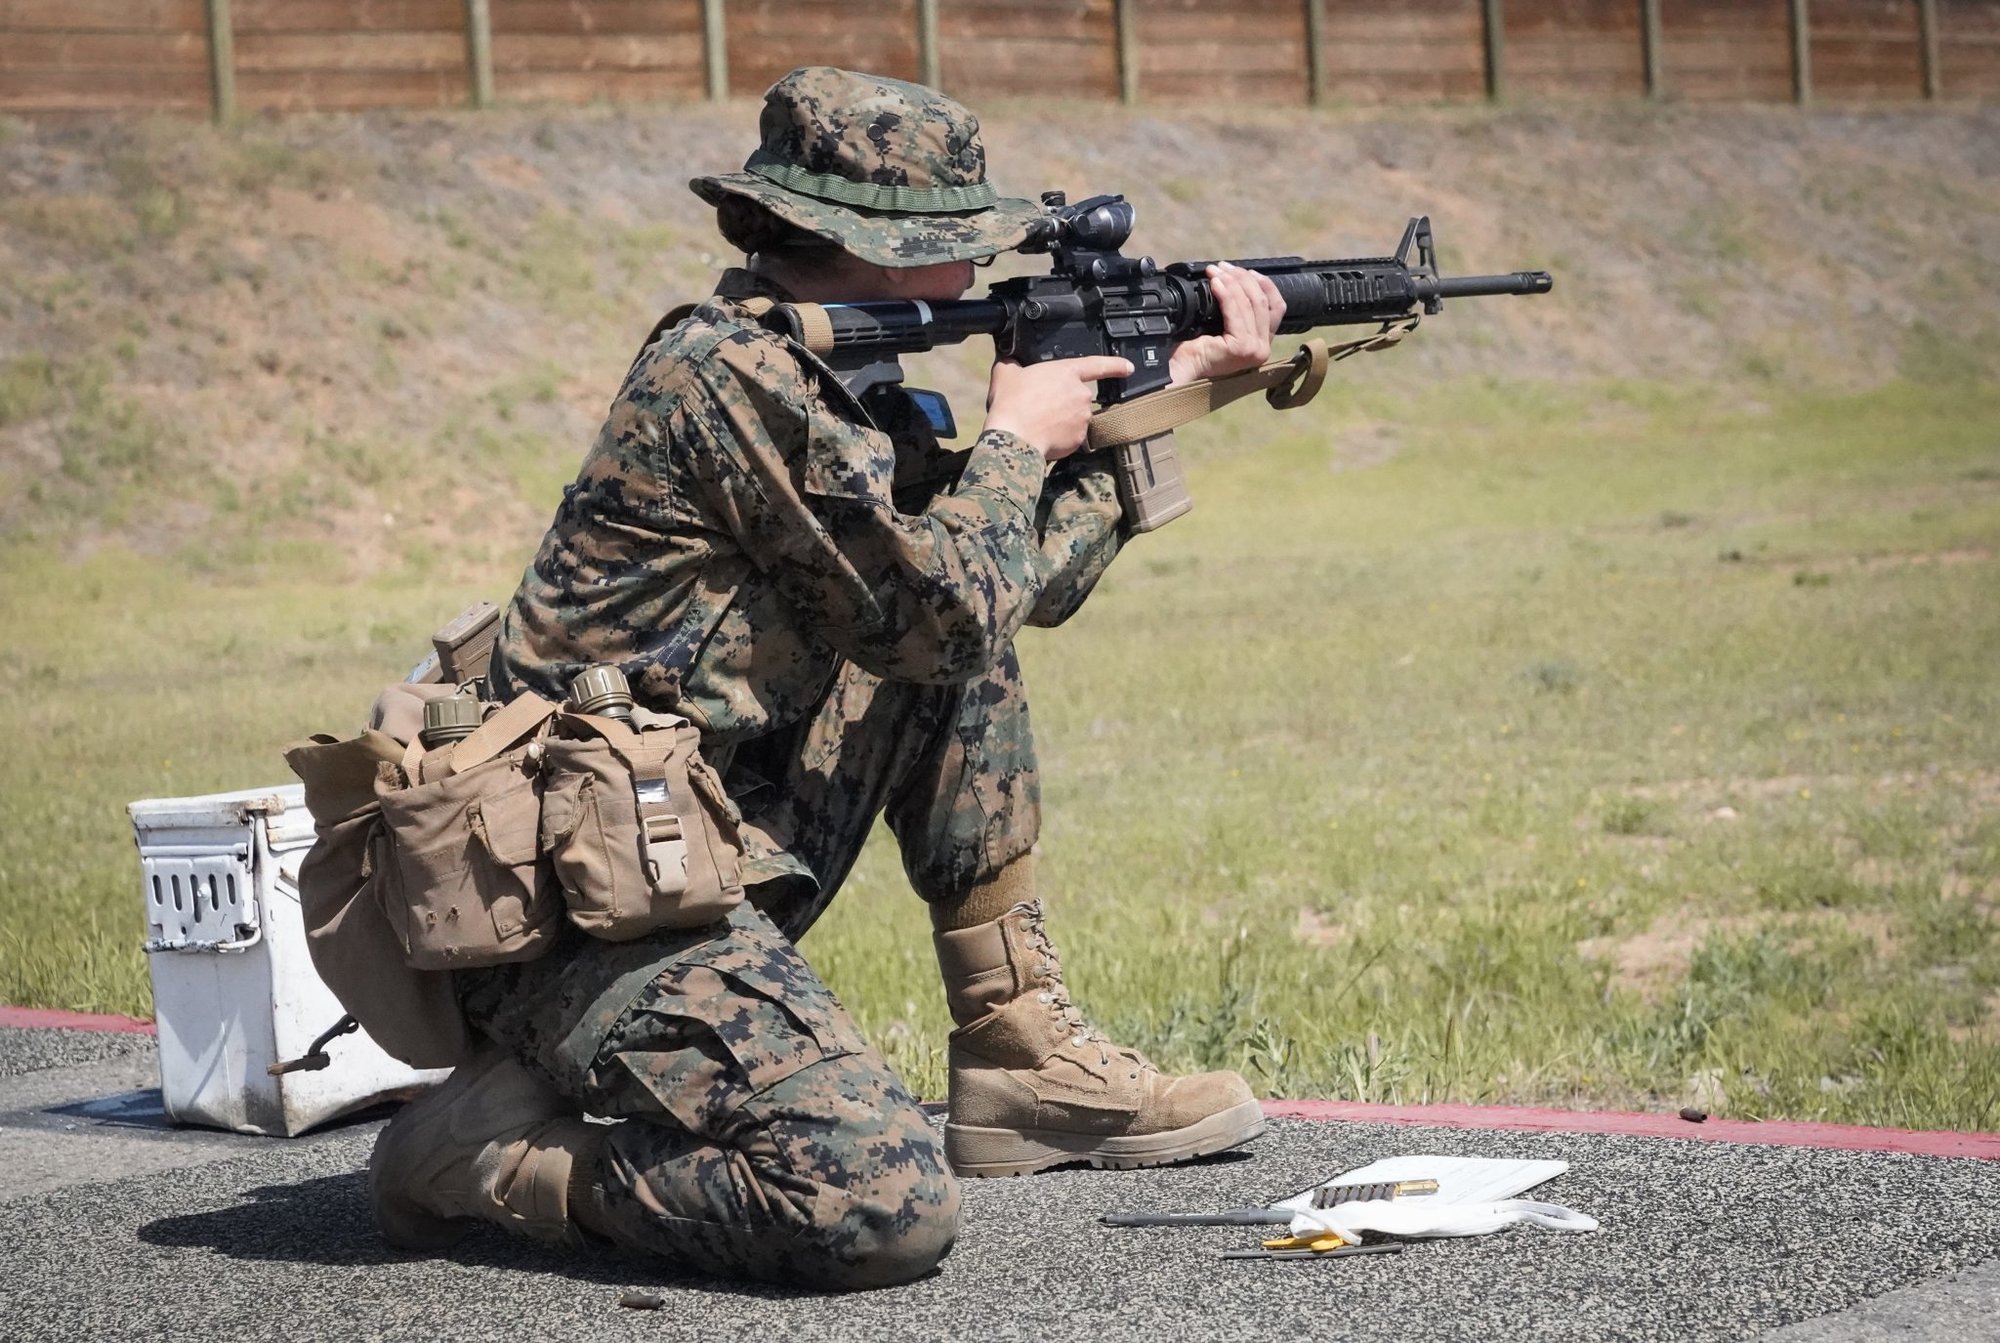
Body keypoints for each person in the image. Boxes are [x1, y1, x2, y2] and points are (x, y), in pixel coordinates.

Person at [366, 66, 1288, 1290]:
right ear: (875, 249)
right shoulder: (724, 375)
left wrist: (1158, 402)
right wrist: (1016, 438)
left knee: (964, 642)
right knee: (876, 1201)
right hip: (575, 913)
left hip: (695, 853)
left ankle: (1017, 1054)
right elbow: (939, 610)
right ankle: (494, 1159)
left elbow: (997, 597)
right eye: (952, 244)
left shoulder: (847, 388)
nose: (975, 275)